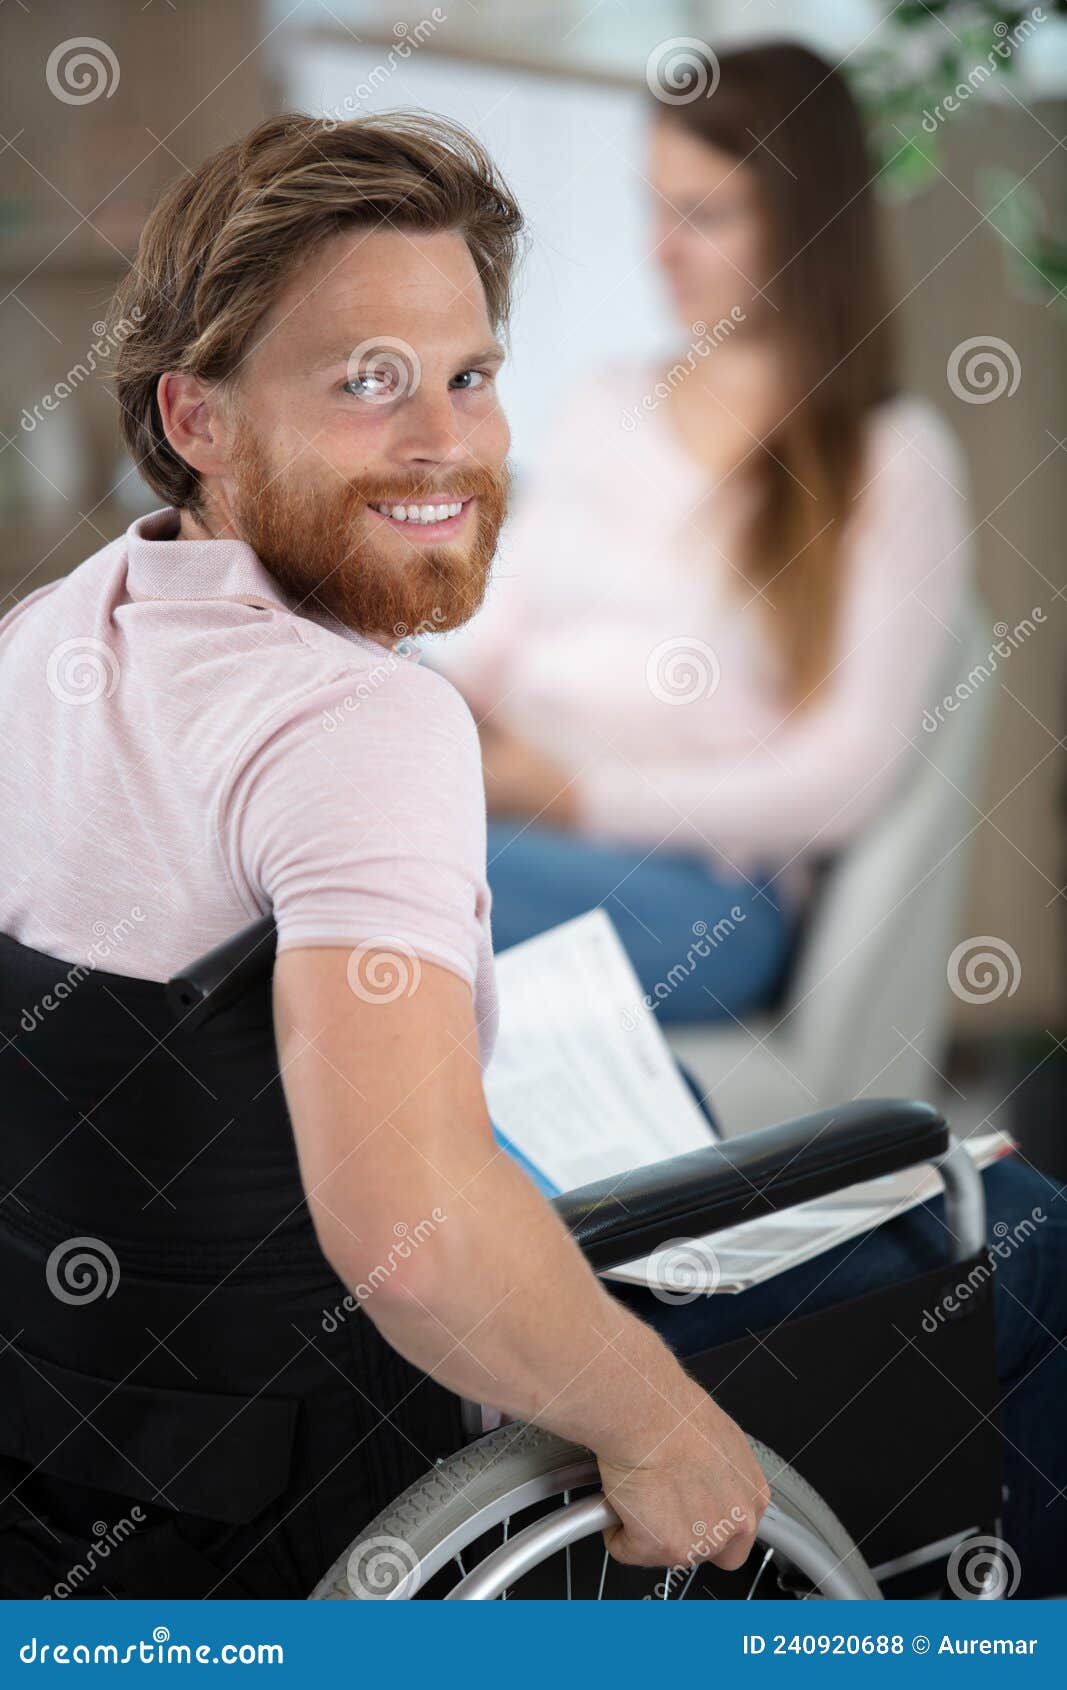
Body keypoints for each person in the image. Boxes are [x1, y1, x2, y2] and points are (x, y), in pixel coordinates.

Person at [0, 110, 768, 1597]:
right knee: (1015, 1249)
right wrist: (659, 1420)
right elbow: (412, 1241)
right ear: (198, 417)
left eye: (468, 376)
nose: (443, 441)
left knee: (655, 1099)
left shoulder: (44, 641)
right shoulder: (358, 724)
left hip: (88, 1479)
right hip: (342, 1498)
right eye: (367, 381)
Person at [435, 42, 974, 1024]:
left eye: (704, 215)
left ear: (805, 228)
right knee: (325, 847)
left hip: (701, 897)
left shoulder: (887, 460)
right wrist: (398, 716)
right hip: (511, 820)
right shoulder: (602, 405)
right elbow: (490, 640)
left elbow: (845, 773)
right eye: (653, 207)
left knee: (365, 887)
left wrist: (575, 796)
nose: (658, 250)